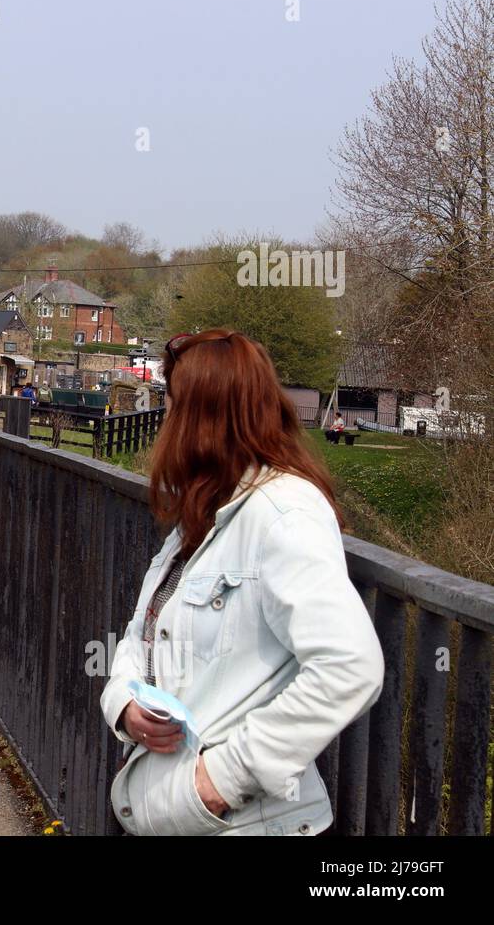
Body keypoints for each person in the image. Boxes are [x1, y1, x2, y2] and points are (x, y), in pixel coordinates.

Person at [100, 329, 383, 836]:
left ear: (202, 416)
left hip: (238, 822)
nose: (164, 421)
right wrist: (122, 704)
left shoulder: (284, 512)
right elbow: (140, 634)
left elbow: (350, 665)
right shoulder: (204, 514)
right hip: (168, 810)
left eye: (171, 405)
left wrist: (223, 779)